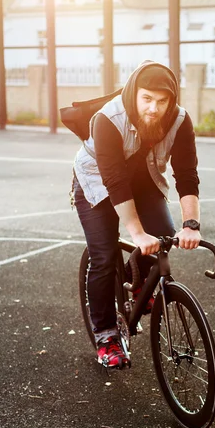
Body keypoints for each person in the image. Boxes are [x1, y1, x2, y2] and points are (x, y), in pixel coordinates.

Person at [72, 60, 202, 369]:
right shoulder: (107, 119)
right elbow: (114, 181)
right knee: (103, 256)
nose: (154, 108)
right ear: (134, 95)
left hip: (142, 178)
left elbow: (187, 174)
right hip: (98, 181)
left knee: (164, 237)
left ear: (172, 100)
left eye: (162, 101)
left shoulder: (180, 121)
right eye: (147, 99)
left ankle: (142, 283)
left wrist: (191, 224)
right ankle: (106, 335)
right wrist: (136, 232)